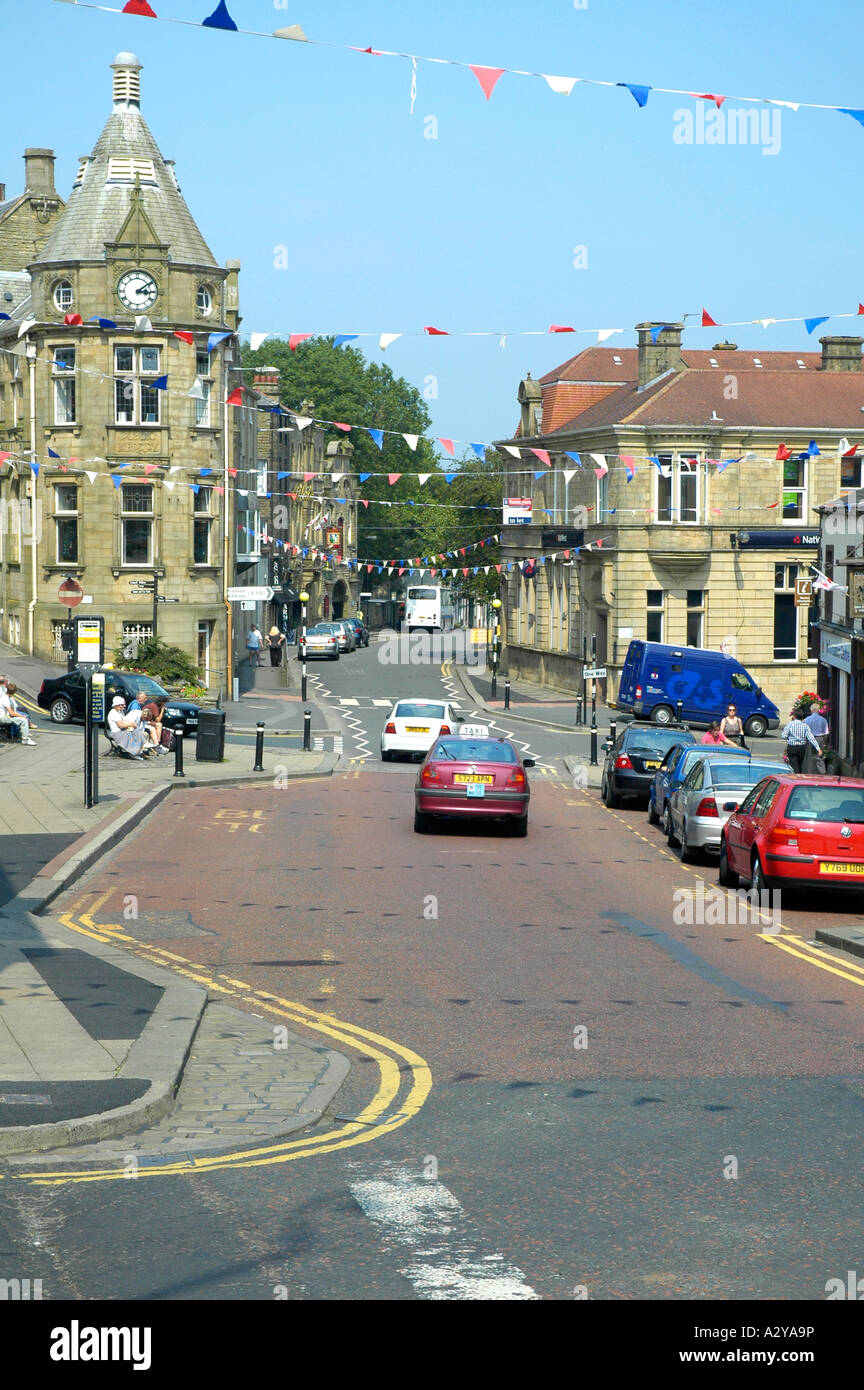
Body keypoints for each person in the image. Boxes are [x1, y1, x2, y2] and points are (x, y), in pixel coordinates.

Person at [782, 706, 821, 774]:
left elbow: (784, 735)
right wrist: (818, 748)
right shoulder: (805, 726)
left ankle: (795, 776)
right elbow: (811, 738)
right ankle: (799, 775)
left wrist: (790, 737)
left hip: (792, 747)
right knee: (800, 764)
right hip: (801, 747)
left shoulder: (790, 724)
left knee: (793, 764)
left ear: (794, 716)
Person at [803, 704, 829, 773]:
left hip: (809, 739)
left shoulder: (806, 720)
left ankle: (810, 773)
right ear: (818, 710)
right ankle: (821, 773)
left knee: (809, 757)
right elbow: (826, 733)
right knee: (819, 757)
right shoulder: (823, 720)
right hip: (820, 738)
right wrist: (824, 742)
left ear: (811, 710)